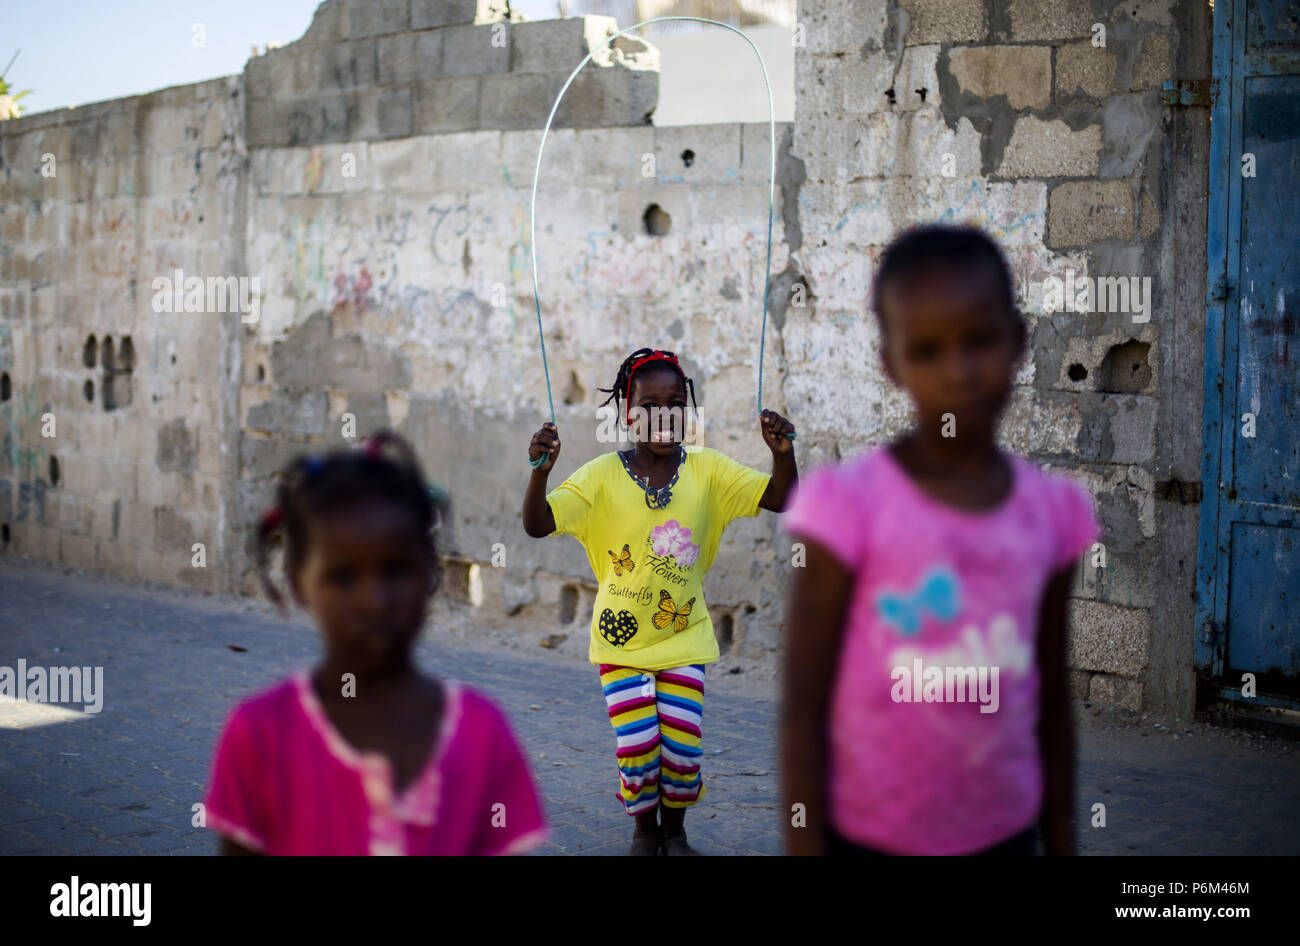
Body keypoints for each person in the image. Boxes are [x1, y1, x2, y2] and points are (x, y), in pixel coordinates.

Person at [780, 225, 1099, 856]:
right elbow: (802, 709)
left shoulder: (1054, 512)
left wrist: (1063, 839)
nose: (958, 372)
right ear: (890, 363)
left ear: (1016, 339)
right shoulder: (846, 507)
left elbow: (1051, 700)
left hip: (1007, 836)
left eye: (978, 341)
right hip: (868, 839)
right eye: (927, 351)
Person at [204, 431, 547, 855]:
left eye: (397, 572)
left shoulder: (483, 734)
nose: (374, 601)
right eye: (344, 577)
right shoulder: (259, 735)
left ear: (429, 575)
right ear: (298, 583)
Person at [523, 348, 797, 854]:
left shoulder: (710, 472)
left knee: (682, 749)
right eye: (649, 404)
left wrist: (783, 455)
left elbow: (781, 498)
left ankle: (676, 833)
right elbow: (538, 524)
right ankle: (644, 831)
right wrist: (541, 469)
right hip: (619, 645)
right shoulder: (600, 476)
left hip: (684, 637)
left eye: (675, 403)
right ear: (628, 412)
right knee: (639, 747)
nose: (662, 416)